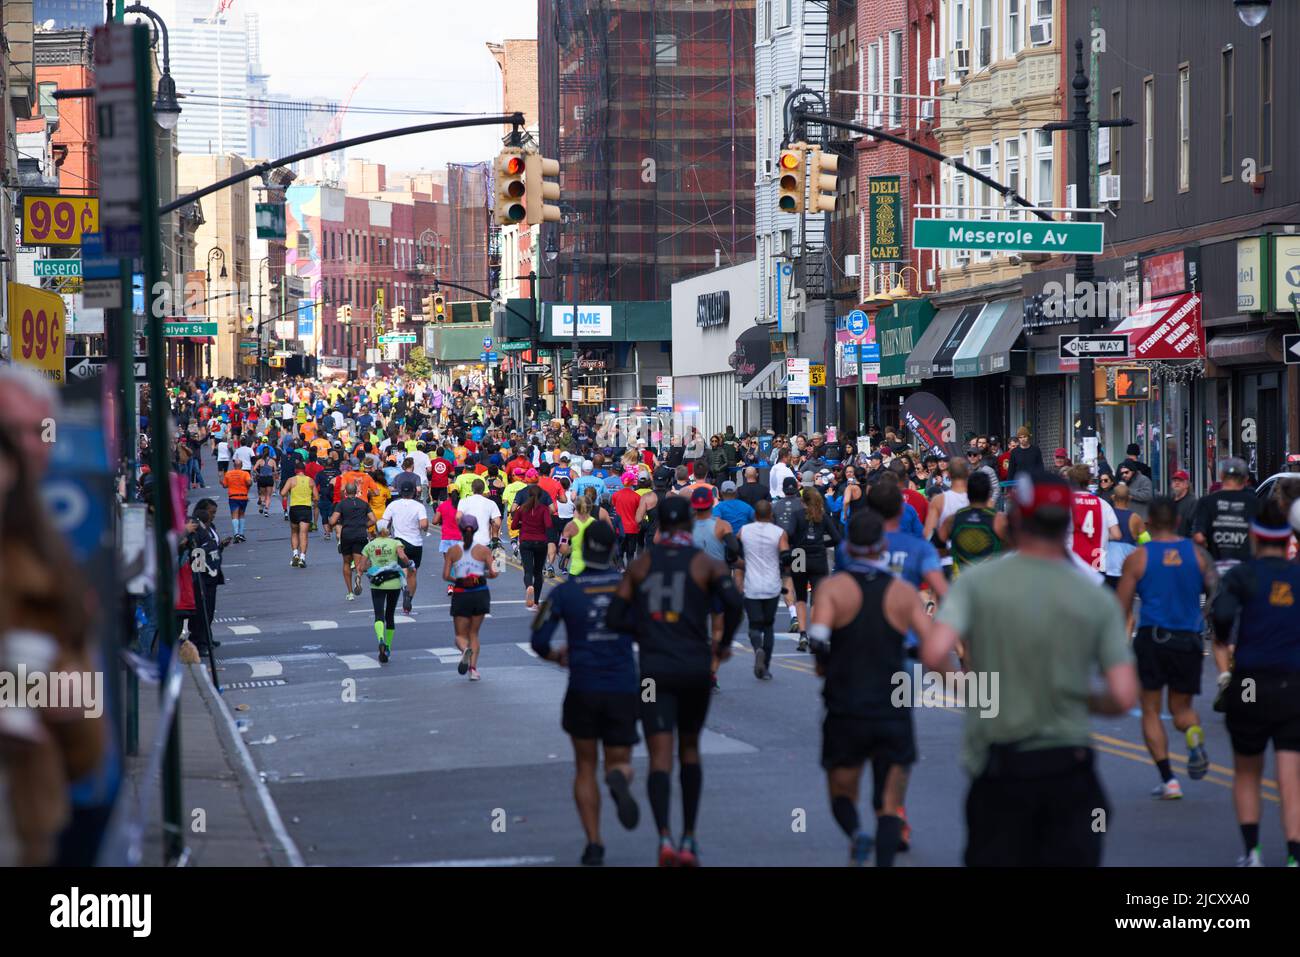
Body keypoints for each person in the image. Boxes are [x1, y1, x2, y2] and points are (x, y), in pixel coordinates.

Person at [927, 472, 1137, 866]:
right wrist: (1074, 696)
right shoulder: (1093, 594)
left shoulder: (979, 582)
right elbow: (1123, 695)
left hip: (1000, 766)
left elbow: (934, 650)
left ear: (1014, 521)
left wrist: (973, 690)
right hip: (1068, 766)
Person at [607, 495, 744, 866]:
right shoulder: (703, 563)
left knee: (659, 757)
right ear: (687, 525)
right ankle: (689, 837)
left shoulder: (642, 565)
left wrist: (645, 629)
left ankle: (664, 836)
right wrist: (723, 643)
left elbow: (616, 618)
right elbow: (733, 603)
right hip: (694, 666)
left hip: (654, 670)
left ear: (661, 526)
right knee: (690, 750)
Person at [808, 510, 938, 867]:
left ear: (848, 546)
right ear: (881, 546)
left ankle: (855, 834)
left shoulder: (832, 589)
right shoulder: (902, 592)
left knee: (841, 792)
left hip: (845, 705)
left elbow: (818, 640)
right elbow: (932, 648)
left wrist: (825, 667)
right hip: (890, 706)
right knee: (888, 804)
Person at [532, 521, 642, 866]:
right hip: (622, 684)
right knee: (620, 760)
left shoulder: (565, 591)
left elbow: (539, 639)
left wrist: (556, 656)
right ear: (613, 550)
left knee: (584, 767)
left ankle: (594, 843)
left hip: (583, 686)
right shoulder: (629, 586)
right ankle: (619, 777)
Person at [1211, 499, 1300, 867]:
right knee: (1290, 772)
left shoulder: (1241, 576)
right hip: (1293, 682)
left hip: (1249, 682)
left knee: (1247, 770)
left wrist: (1224, 639)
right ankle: (1295, 853)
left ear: (1255, 537)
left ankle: (1252, 851)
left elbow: (1222, 615)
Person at [1116, 496, 1217, 801]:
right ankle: (1192, 734)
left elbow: (1120, 607)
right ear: (1176, 521)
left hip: (1153, 638)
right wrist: (1203, 616)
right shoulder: (1197, 555)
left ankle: (1169, 780)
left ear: (1147, 523)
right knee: (1182, 709)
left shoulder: (1138, 558)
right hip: (1188, 639)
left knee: (1151, 709)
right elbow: (1216, 589)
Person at [443, 514, 497, 681]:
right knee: (474, 633)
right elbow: (494, 573)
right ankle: (473, 670)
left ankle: (464, 649)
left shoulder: (452, 551)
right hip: (480, 592)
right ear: (476, 530)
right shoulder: (484, 550)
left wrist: (459, 579)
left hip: (461, 594)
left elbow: (446, 576)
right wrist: (480, 575)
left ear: (460, 529)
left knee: (460, 635)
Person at [738, 499, 787, 681]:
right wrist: (786, 571)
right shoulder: (779, 533)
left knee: (754, 625)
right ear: (771, 515)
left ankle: (757, 648)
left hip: (752, 584)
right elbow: (786, 555)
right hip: (772, 585)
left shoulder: (745, 531)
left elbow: (732, 550)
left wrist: (739, 562)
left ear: (755, 515)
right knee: (768, 626)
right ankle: (765, 667)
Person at [790, 487, 841, 652]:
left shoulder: (797, 515)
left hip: (799, 555)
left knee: (800, 597)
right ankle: (813, 635)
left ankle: (802, 633)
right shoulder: (822, 516)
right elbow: (837, 538)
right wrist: (821, 544)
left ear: (803, 501)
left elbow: (789, 534)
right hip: (818, 557)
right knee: (816, 599)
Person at [356, 519, 413, 664]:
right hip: (393, 583)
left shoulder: (370, 545)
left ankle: (380, 638)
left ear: (375, 530)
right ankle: (387, 647)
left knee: (379, 614)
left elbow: (361, 567)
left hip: (377, 584)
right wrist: (409, 564)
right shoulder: (396, 543)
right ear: (389, 529)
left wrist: (362, 573)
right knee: (390, 615)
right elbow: (402, 557)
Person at [1194, 457, 1259, 574]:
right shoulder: (1254, 503)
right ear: (1246, 479)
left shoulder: (1207, 502)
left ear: (1221, 475)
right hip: (1247, 572)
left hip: (1217, 572)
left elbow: (1199, 537)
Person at [940, 470, 1007, 577]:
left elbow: (938, 548)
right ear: (989, 492)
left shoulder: (952, 519)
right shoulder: (1000, 520)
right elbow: (1015, 548)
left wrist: (955, 550)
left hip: (962, 582)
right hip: (992, 580)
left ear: (967, 491)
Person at [382, 483, 429, 615]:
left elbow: (384, 523)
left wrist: (387, 536)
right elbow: (424, 524)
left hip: (399, 542)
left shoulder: (393, 505)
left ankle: (404, 588)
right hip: (416, 543)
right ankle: (409, 600)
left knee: (403, 570)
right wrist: (423, 528)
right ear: (414, 492)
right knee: (413, 572)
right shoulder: (419, 506)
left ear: (401, 492)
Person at [1066, 464, 1121, 577]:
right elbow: (1116, 534)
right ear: (1089, 481)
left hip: (1073, 563)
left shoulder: (1066, 504)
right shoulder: (1103, 504)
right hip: (1097, 563)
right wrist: (1103, 533)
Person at [329, 482, 376, 601]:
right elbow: (373, 520)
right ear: (356, 492)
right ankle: (358, 576)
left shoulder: (341, 504)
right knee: (359, 562)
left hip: (347, 535)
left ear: (345, 492)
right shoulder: (364, 504)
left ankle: (350, 593)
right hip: (360, 534)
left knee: (346, 562)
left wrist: (335, 523)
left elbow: (332, 521)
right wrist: (364, 525)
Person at [511, 482, 553, 610]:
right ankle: (536, 602)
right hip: (540, 542)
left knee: (528, 570)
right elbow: (548, 524)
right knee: (538, 573)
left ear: (528, 494)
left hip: (526, 541)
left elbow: (513, 526)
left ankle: (529, 586)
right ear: (540, 496)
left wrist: (522, 526)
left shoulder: (522, 508)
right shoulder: (544, 509)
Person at [281, 459, 318, 568]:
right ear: (304, 470)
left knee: (294, 532)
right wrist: (311, 499)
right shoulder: (310, 481)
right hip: (306, 508)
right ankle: (302, 558)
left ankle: (295, 554)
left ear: (295, 470)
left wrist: (290, 493)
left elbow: (283, 493)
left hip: (294, 508)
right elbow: (316, 497)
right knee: (304, 534)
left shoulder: (291, 480)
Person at [220, 457, 252, 543]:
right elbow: (249, 483)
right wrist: (248, 485)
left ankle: (236, 533)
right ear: (241, 465)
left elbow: (224, 485)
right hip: (243, 496)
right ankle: (241, 534)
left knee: (234, 515)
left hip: (233, 497)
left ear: (234, 466)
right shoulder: (245, 474)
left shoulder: (228, 474)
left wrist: (221, 481)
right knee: (241, 514)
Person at [1171, 469, 1199, 538]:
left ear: (1186, 485)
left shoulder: (1193, 502)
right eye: (1174, 481)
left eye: (1180, 481)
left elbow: (1195, 526)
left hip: (1186, 543)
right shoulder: (1169, 502)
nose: (1177, 483)